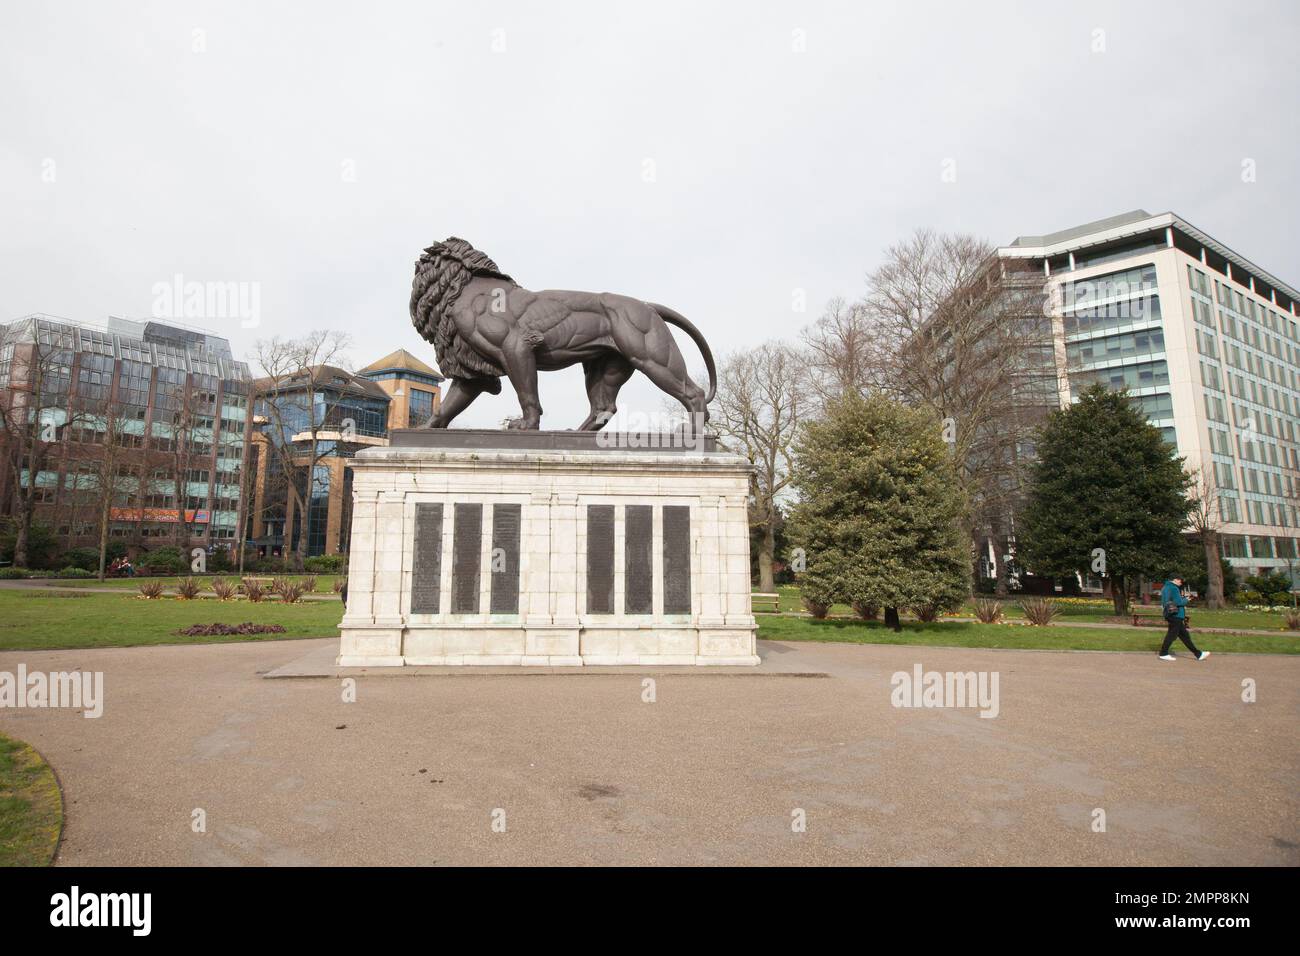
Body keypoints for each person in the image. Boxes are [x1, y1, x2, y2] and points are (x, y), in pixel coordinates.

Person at [1158, 574, 1209, 661]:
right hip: (1176, 615)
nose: (1181, 583)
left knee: (1185, 636)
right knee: (1171, 635)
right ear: (1175, 580)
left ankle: (1198, 654)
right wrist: (1186, 599)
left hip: (1170, 614)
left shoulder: (1165, 587)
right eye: (1180, 581)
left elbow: (1166, 601)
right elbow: (1179, 602)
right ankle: (1163, 653)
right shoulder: (1174, 588)